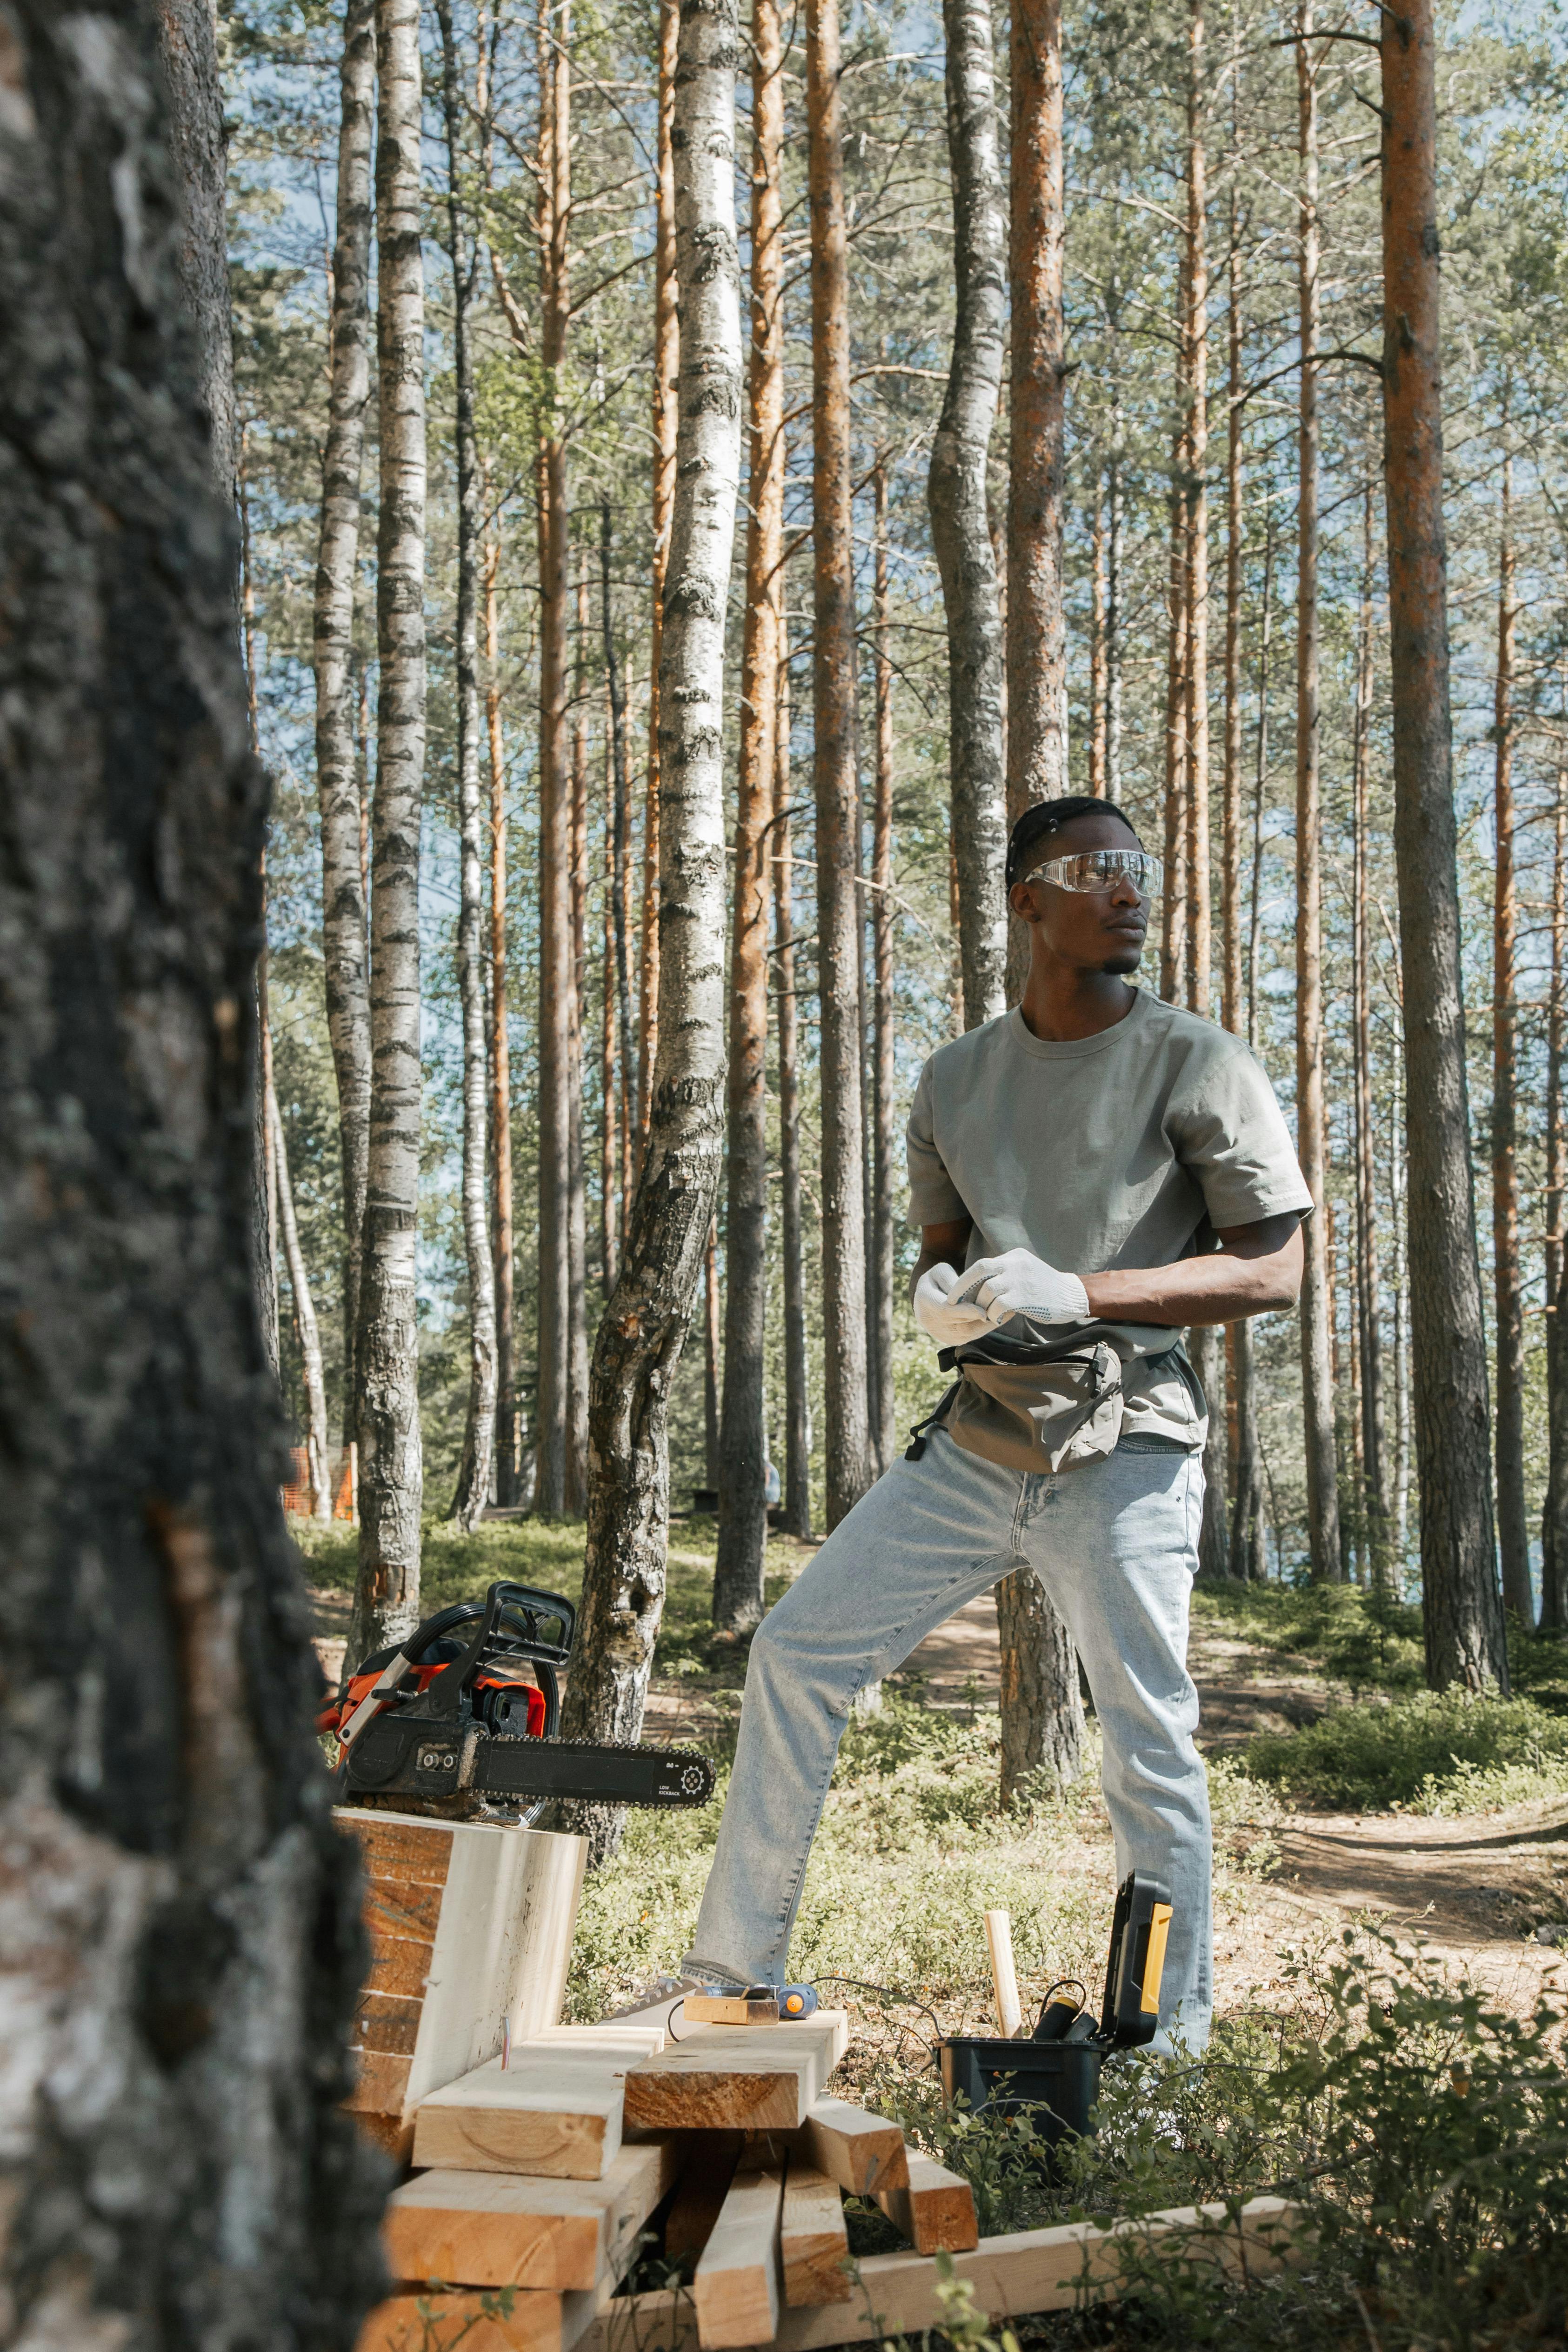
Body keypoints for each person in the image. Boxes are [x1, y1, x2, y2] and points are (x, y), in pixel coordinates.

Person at [671, 796, 1311, 2052]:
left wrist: (1083, 1290)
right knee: (798, 1652)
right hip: (977, 1440)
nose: (1128, 889)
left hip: (1126, 1450)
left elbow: (1271, 1268)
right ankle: (732, 1973)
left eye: (1139, 867)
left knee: (1147, 1747)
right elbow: (943, 1249)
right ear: (1027, 899)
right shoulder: (954, 1078)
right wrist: (939, 1300)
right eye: (1095, 869)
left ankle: (1166, 2062)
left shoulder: (1198, 1062)